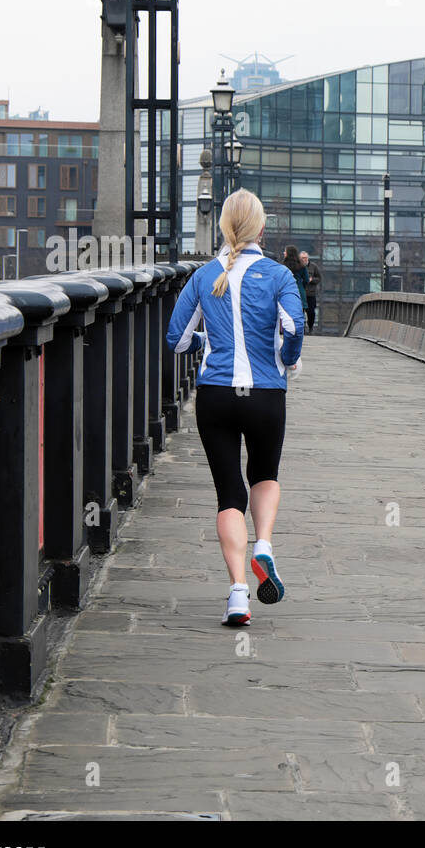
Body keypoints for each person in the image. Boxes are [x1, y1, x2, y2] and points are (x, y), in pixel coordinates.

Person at [166, 190, 305, 626]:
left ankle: (238, 594)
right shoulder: (280, 275)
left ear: (225, 228)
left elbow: (177, 339)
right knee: (264, 475)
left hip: (216, 396)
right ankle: (264, 544)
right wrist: (286, 358)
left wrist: (210, 343)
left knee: (229, 493)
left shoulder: (204, 276)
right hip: (265, 394)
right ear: (262, 229)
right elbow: (293, 326)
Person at [283, 245, 309, 316]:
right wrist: (301, 286)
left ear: (289, 253)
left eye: (285, 251)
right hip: (299, 291)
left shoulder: (282, 266)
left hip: (286, 291)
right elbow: (306, 280)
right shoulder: (302, 266)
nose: (284, 253)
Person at [300, 250, 321, 334]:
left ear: (308, 258)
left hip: (311, 294)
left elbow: (319, 278)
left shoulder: (313, 266)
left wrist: (312, 280)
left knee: (311, 312)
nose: (304, 259)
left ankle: (310, 327)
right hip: (301, 294)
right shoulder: (298, 266)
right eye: (302, 258)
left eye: (305, 258)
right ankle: (302, 328)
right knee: (300, 312)